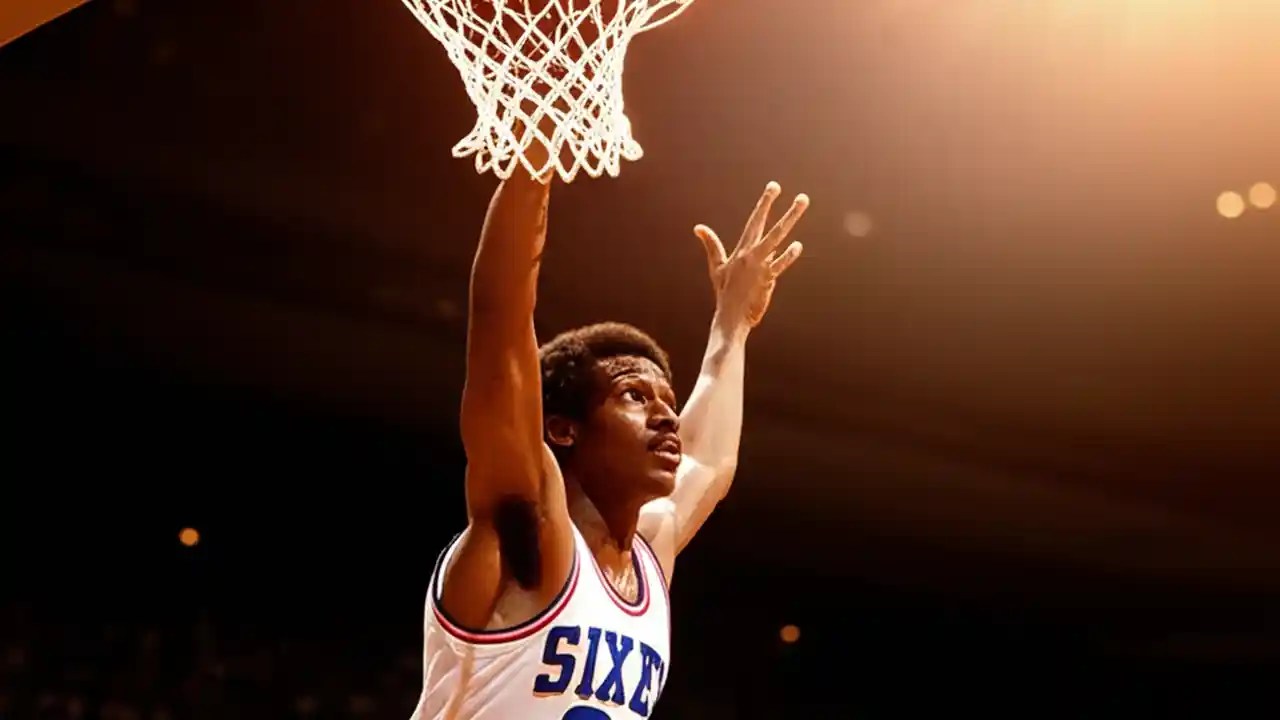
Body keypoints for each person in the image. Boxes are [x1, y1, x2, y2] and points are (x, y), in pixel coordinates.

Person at [410, 145, 809, 719]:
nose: (667, 416)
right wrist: (531, 169)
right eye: (634, 396)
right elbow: (501, 330)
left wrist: (733, 326)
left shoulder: (649, 552)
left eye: (667, 402)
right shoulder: (526, 527)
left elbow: (708, 465)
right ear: (562, 429)